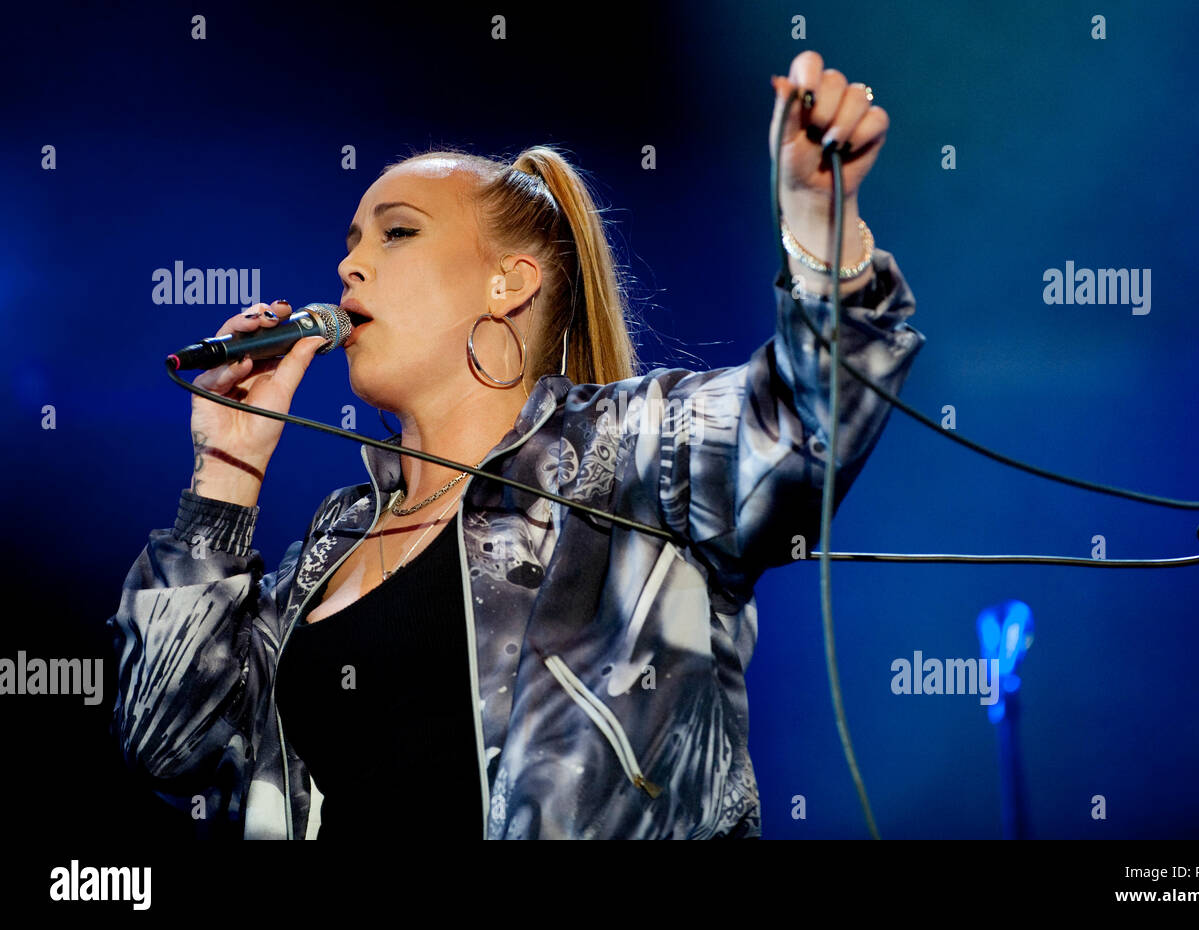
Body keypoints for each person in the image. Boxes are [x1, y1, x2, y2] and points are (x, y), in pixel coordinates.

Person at [107, 50, 924, 840]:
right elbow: (169, 744)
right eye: (350, 241)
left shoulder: (623, 458)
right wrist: (227, 468)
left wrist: (821, 235)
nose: (349, 266)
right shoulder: (331, 546)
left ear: (510, 281)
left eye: (394, 234)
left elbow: (803, 426)